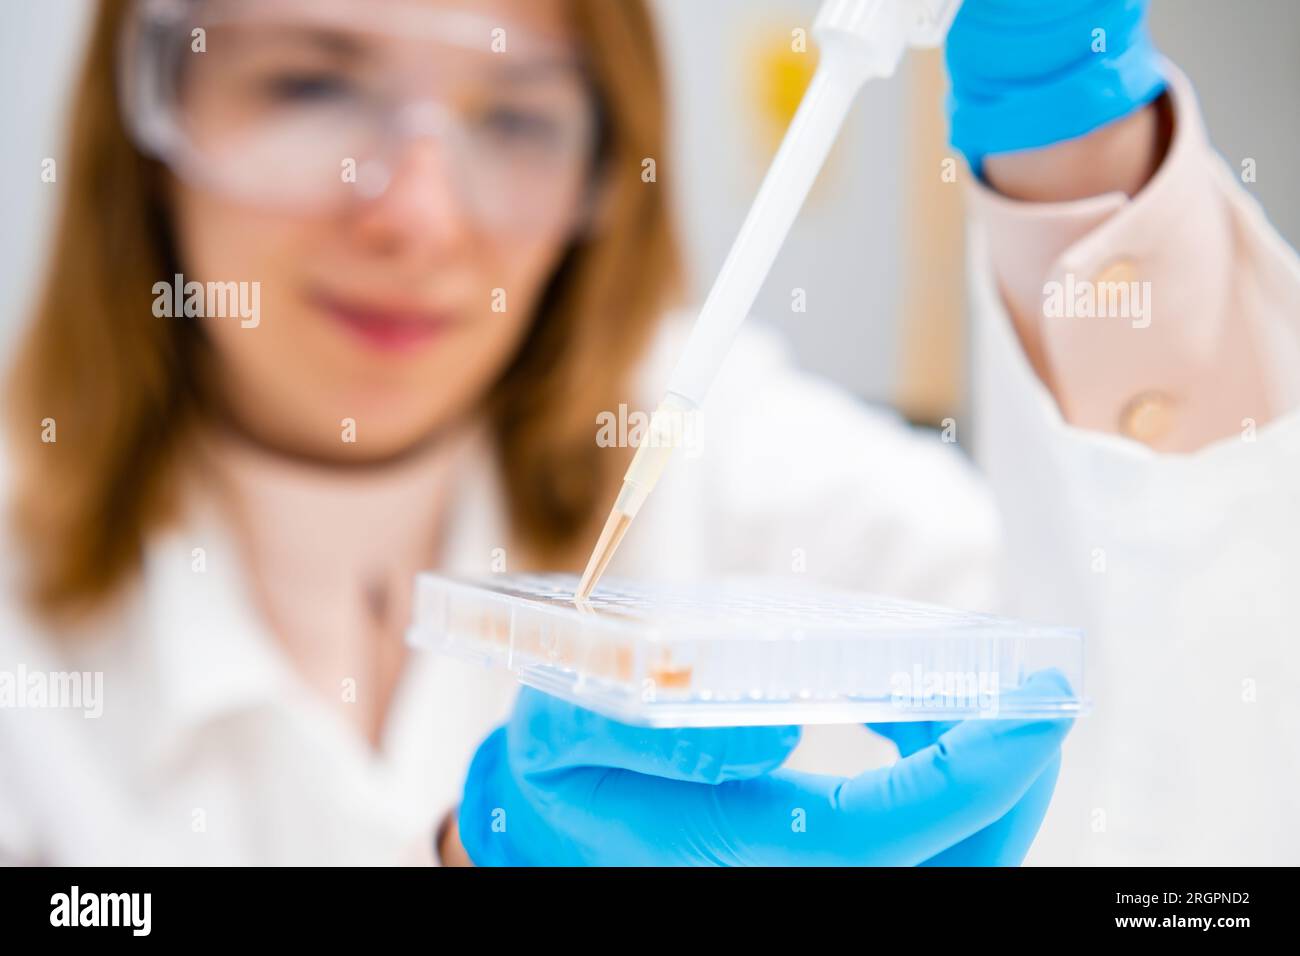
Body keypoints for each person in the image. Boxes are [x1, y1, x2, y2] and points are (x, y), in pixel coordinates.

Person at [0, 0, 1293, 866]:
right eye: (309, 89)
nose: (415, 215)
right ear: (145, 124)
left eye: (512, 116)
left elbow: (1191, 768)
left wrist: (1080, 164)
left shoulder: (725, 454)